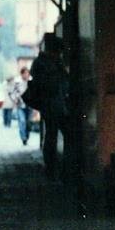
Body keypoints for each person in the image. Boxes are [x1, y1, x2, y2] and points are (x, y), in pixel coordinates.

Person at [30, 34, 71, 178]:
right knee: (56, 135)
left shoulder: (41, 63)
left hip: (52, 105)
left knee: (51, 135)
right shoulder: (47, 64)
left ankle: (53, 168)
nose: (60, 54)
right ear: (54, 51)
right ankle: (54, 168)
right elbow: (57, 82)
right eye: (59, 51)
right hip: (53, 104)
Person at [7, 65, 31, 145]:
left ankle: (27, 136)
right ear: (22, 74)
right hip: (20, 105)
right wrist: (15, 100)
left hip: (30, 105)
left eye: (27, 73)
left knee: (28, 122)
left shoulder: (31, 81)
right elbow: (11, 92)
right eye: (25, 73)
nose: (26, 75)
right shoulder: (17, 82)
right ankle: (23, 138)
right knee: (22, 121)